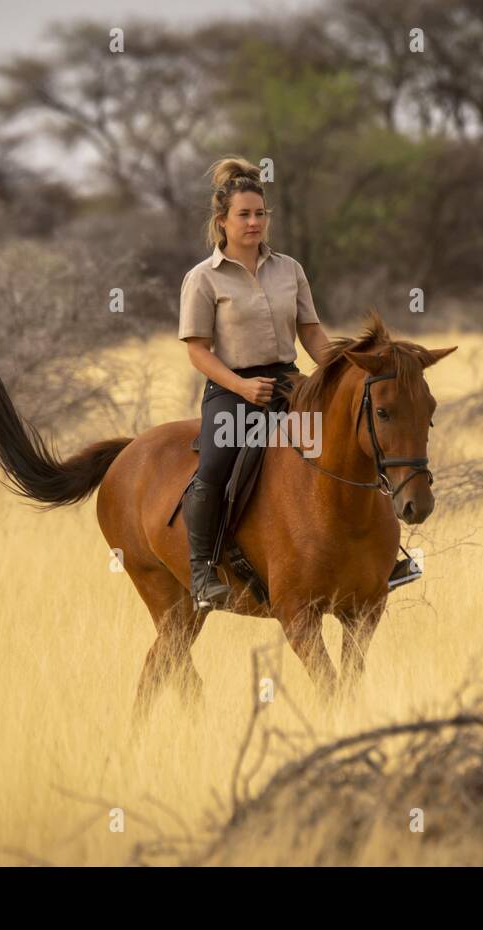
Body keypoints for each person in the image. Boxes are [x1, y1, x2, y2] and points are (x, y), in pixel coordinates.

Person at [177, 156, 332, 610]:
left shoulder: (290, 269)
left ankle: (382, 555)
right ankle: (203, 570)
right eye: (243, 215)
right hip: (231, 388)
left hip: (289, 382)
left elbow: (311, 333)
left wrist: (342, 371)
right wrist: (242, 389)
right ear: (221, 221)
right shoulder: (202, 278)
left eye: (260, 214)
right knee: (217, 462)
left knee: (347, 439)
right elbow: (197, 350)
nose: (253, 222)